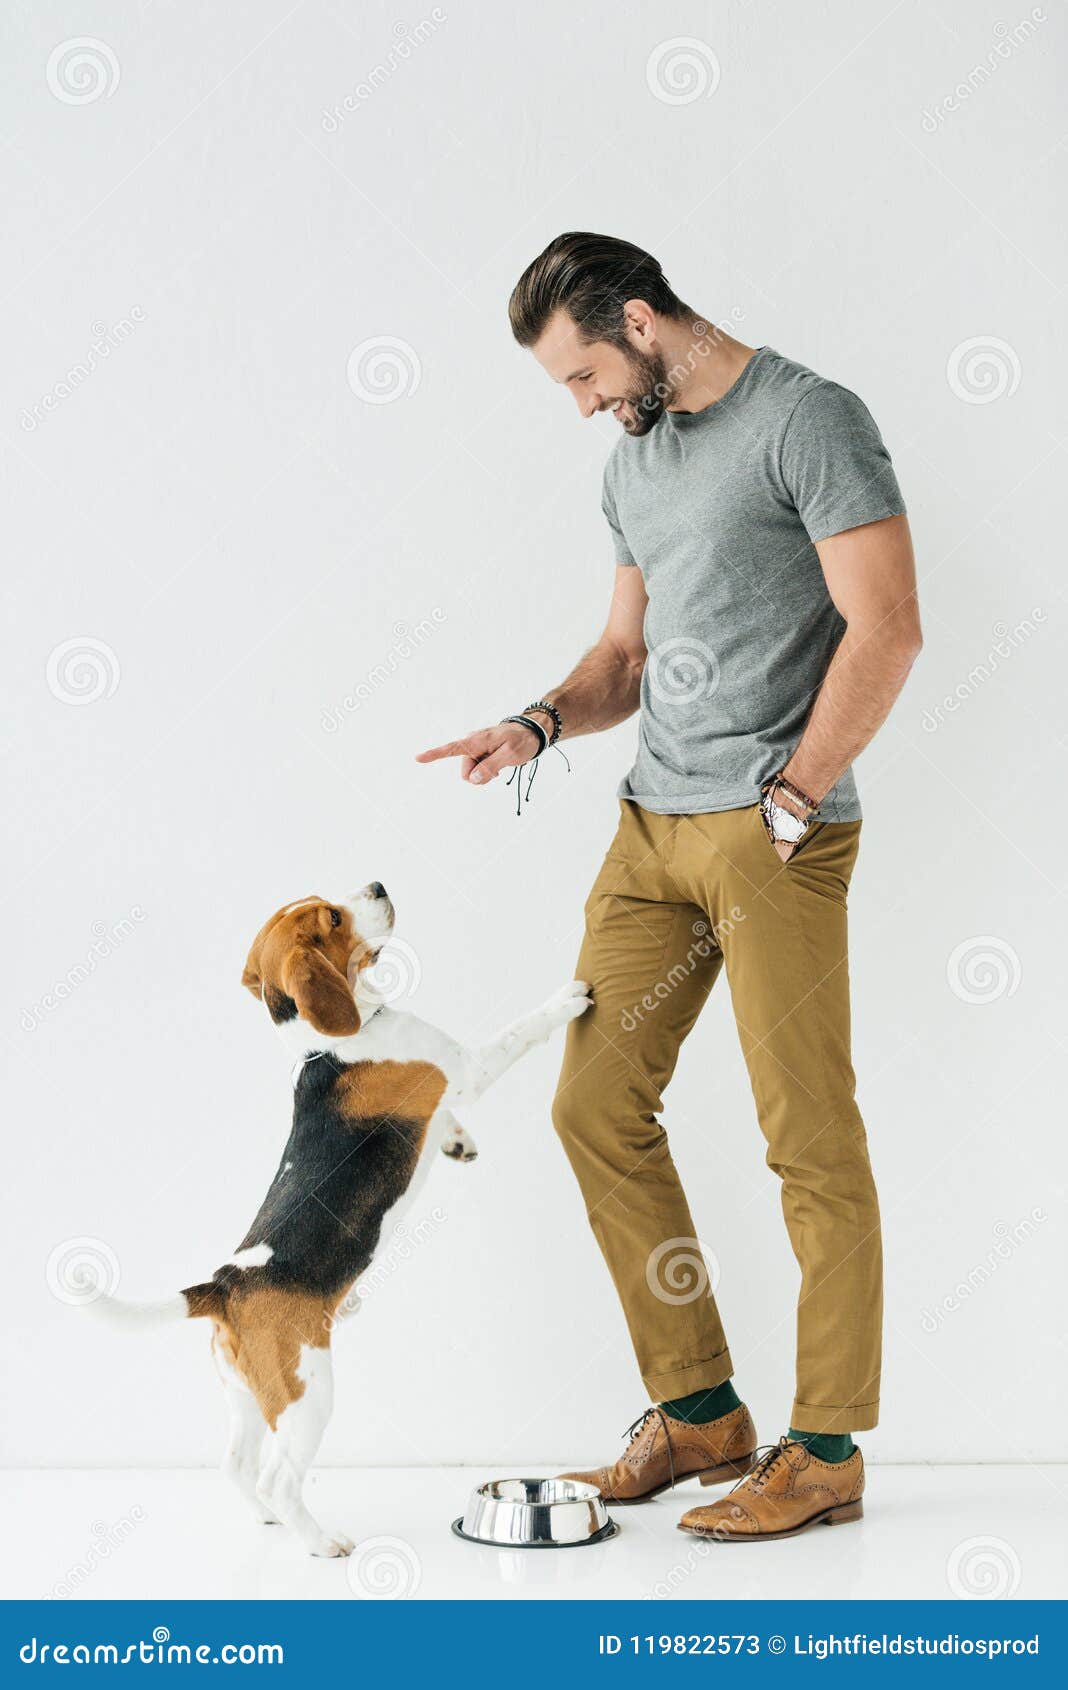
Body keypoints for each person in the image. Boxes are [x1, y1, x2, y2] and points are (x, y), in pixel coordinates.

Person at [417, 232, 922, 1542]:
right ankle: (700, 1409)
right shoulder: (634, 465)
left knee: (807, 1134)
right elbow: (624, 656)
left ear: (640, 321)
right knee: (594, 1103)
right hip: (651, 833)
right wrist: (536, 722)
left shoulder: (810, 420)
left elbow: (889, 623)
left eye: (585, 373)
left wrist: (800, 788)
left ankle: (825, 1451)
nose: (583, 406)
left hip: (776, 836)